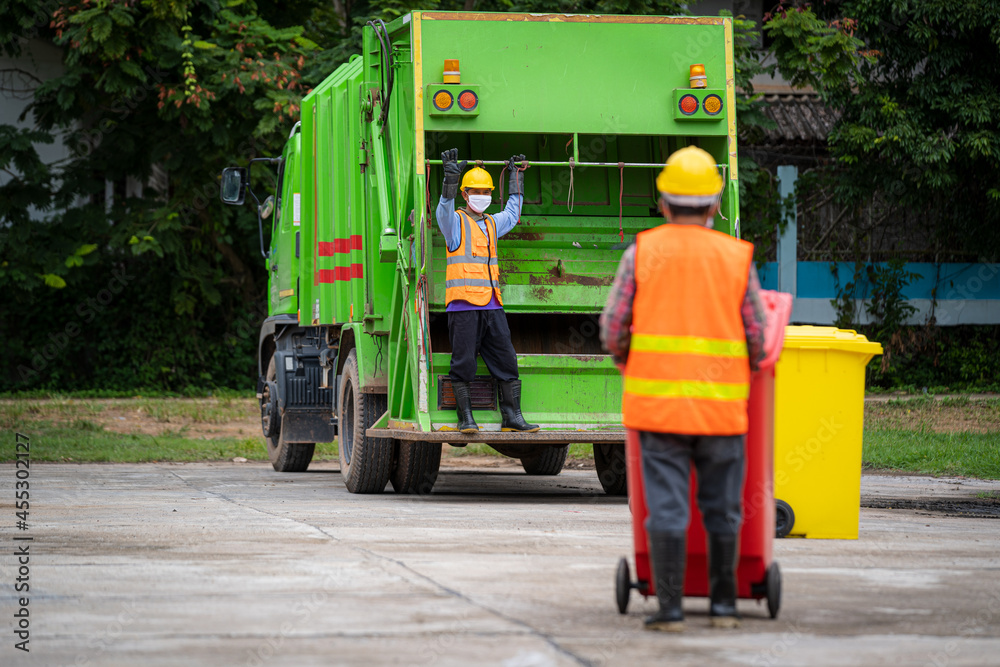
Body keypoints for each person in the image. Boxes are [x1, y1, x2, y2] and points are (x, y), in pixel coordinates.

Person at [600, 146, 766, 632]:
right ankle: (723, 607)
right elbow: (756, 334)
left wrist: (628, 361)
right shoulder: (737, 258)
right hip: (721, 413)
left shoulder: (642, 253)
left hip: (658, 412)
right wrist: (743, 369)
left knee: (668, 507)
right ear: (715, 205)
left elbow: (613, 327)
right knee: (723, 508)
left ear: (664, 203)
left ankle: (670, 610)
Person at [437, 148, 538, 434]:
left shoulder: (493, 223)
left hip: (493, 306)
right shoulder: (454, 223)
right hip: (463, 306)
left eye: (486, 191)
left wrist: (516, 178)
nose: (482, 195)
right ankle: (466, 418)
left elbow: (513, 213)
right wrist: (449, 184)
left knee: (506, 360)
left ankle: (512, 417)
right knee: (463, 363)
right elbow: (442, 211)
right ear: (465, 194)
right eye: (475, 190)